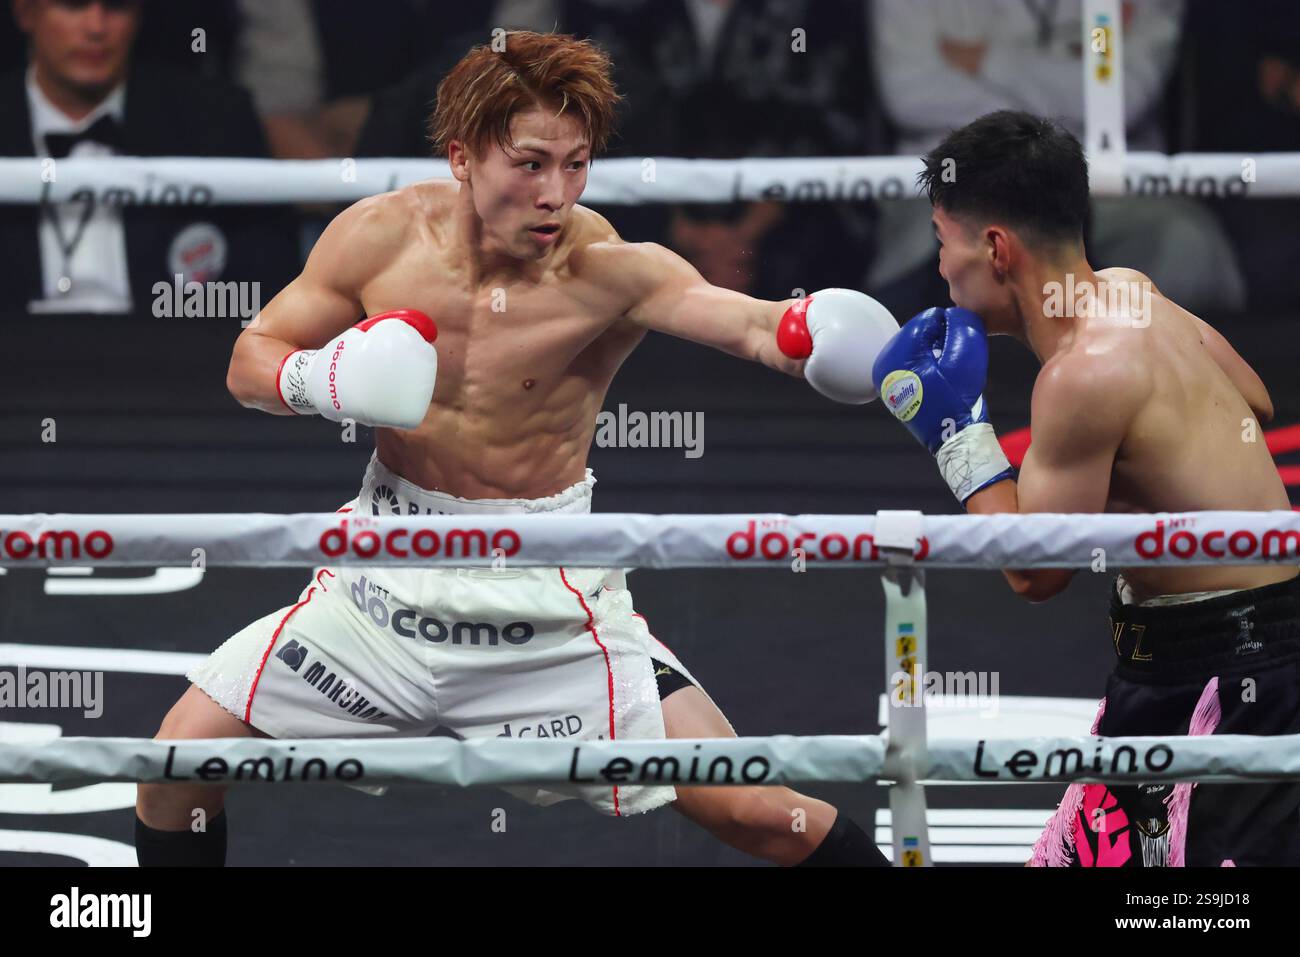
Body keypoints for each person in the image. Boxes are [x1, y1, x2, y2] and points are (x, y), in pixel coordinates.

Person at [134, 30, 899, 867]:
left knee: (755, 808)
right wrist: (326, 380)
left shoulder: (609, 268)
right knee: (175, 769)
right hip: (381, 589)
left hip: (544, 607)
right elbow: (251, 356)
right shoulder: (378, 238)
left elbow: (750, 324)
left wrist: (812, 329)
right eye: (531, 163)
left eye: (576, 165)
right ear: (462, 156)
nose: (555, 194)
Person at [871, 110, 1299, 866]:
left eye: (944, 242)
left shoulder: (1079, 377)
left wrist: (957, 437)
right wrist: (1149, 470)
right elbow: (1256, 401)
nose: (940, 268)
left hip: (1237, 676)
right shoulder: (1133, 291)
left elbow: (1035, 571)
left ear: (996, 248)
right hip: (1178, 656)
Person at [0, 0, 296, 316]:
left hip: (174, 356)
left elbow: (270, 292)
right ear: (25, 12)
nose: (96, 27)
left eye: (117, 7)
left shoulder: (216, 119)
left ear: (139, 15)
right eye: (74, 5)